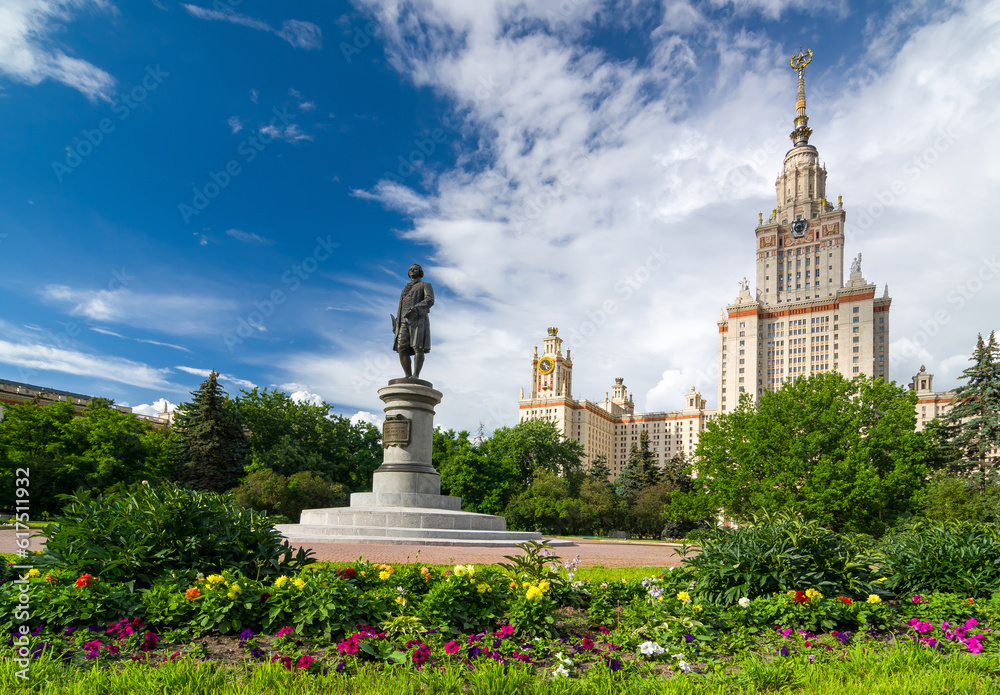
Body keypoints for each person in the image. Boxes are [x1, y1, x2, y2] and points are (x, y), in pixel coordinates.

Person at [392, 263, 434, 379]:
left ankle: (415, 376)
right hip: (403, 321)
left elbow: (430, 300)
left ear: (420, 272)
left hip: (418, 319)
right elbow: (400, 308)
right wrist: (396, 323)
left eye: (415, 269)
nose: (412, 270)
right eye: (410, 269)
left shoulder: (425, 285)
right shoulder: (404, 290)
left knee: (418, 347)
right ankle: (407, 375)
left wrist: (416, 308)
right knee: (401, 348)